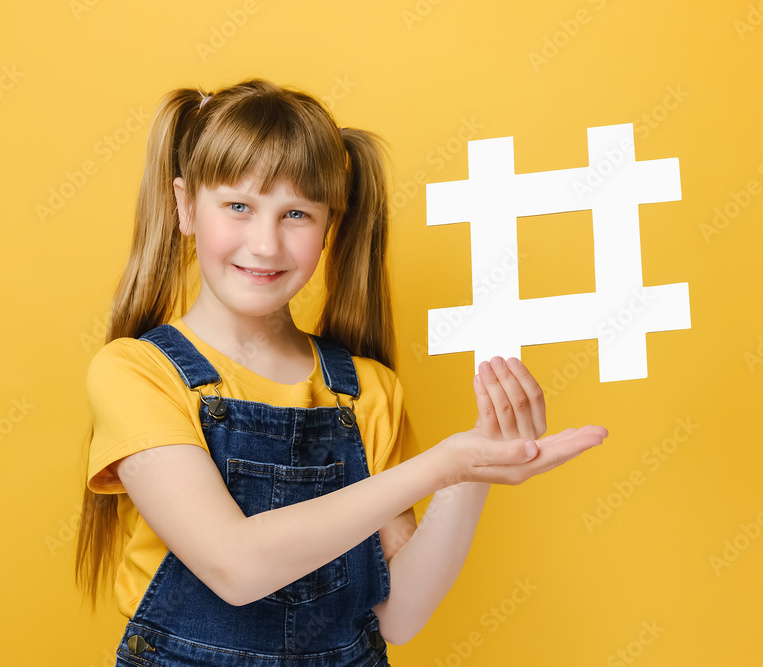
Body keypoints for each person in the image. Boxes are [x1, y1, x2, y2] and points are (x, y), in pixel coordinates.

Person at [75, 78, 607, 666]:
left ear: (330, 225)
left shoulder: (368, 391)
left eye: (296, 214)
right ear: (184, 206)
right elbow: (235, 566)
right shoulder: (137, 373)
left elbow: (400, 615)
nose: (266, 244)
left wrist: (471, 473)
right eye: (239, 206)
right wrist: (441, 465)